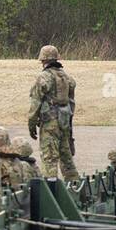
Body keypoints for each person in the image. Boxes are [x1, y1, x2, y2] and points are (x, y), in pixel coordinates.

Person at [27, 45, 78, 180]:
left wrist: (31, 125)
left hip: (49, 124)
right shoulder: (67, 78)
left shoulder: (43, 77)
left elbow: (35, 103)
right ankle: (77, 191)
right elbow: (71, 104)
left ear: (43, 60)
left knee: (49, 159)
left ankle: (51, 193)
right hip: (64, 122)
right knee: (67, 160)